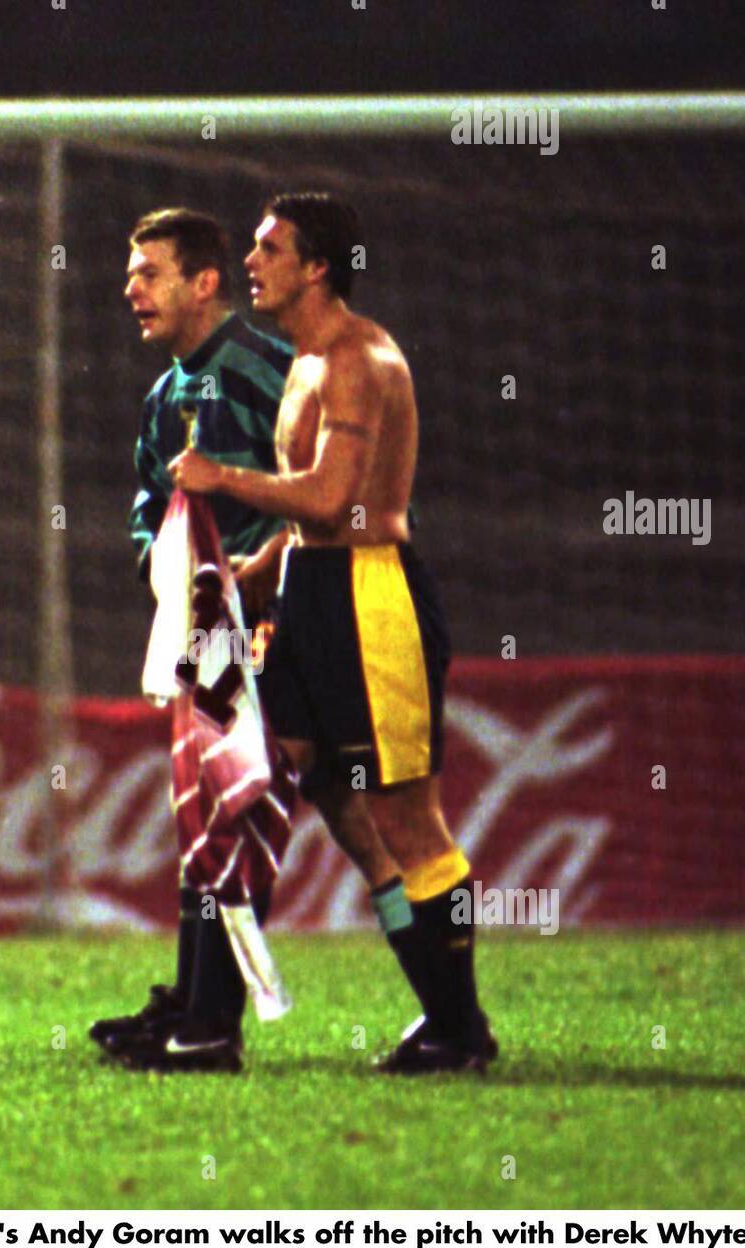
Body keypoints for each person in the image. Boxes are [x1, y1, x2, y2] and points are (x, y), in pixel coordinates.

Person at [169, 192, 498, 1074]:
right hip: (313, 590)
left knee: (407, 821)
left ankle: (457, 1026)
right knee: (260, 779)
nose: (251, 262)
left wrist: (220, 479)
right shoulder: (309, 360)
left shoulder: (356, 358)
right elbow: (312, 513)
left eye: (269, 249)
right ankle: (203, 1018)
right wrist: (262, 565)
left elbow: (334, 499)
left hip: (369, 599)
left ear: (316, 267)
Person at [88, 207, 293, 1070]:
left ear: (202, 282)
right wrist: (164, 570)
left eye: (149, 272)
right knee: (211, 811)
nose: (130, 289)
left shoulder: (265, 371)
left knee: (252, 812)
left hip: (275, 627)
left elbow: (331, 489)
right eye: (130, 273)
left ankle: (211, 1020)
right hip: (206, 634)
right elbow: (147, 506)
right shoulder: (166, 393)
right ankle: (196, 1004)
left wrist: (253, 572)